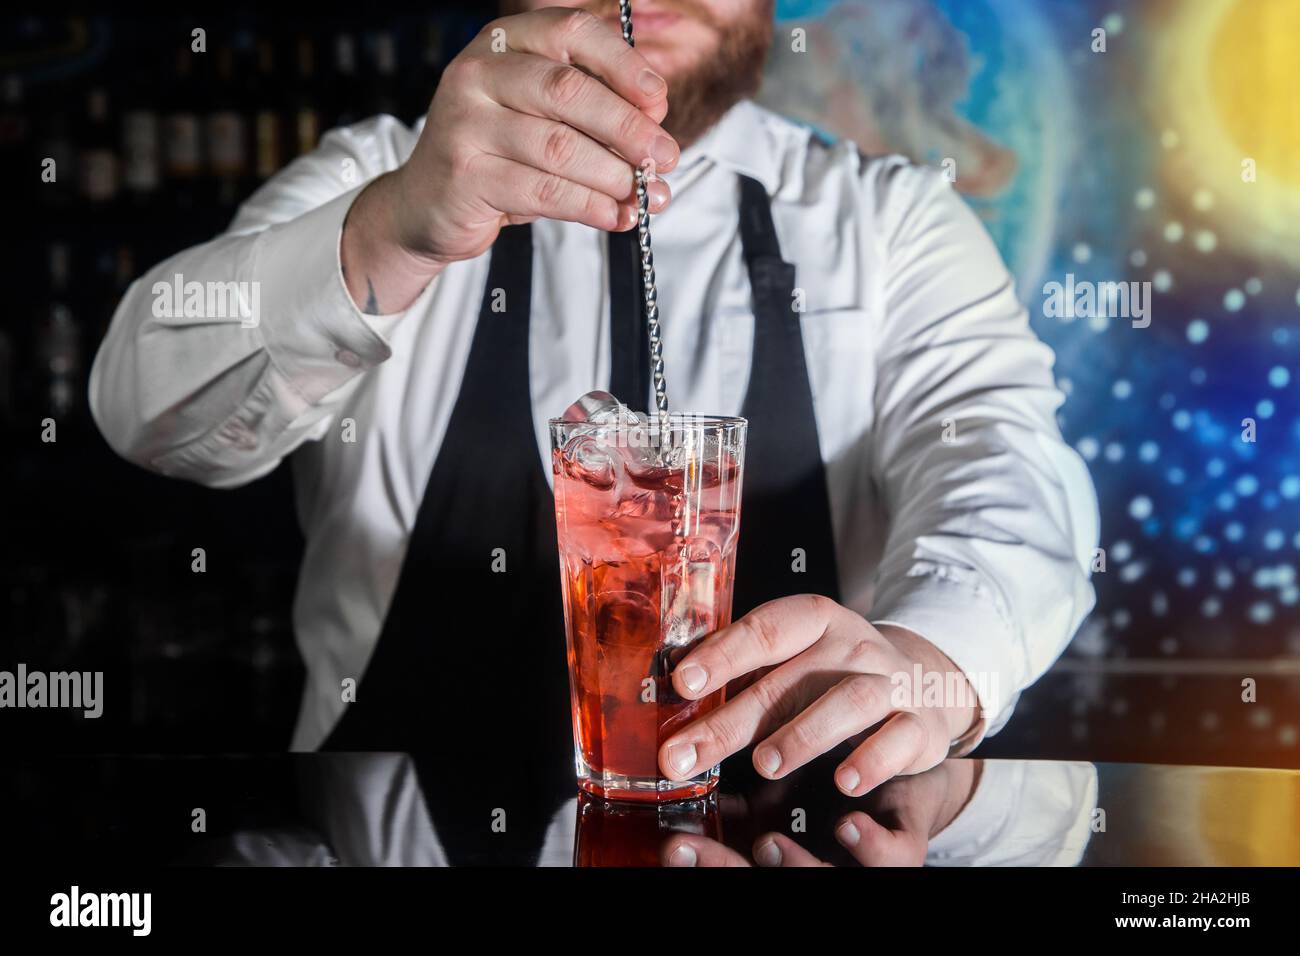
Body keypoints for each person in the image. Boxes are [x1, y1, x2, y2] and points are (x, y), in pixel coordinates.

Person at [90, 0, 1098, 811]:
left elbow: (1007, 467)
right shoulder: (375, 175)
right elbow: (147, 411)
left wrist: (931, 658)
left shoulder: (889, 221)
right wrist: (391, 229)